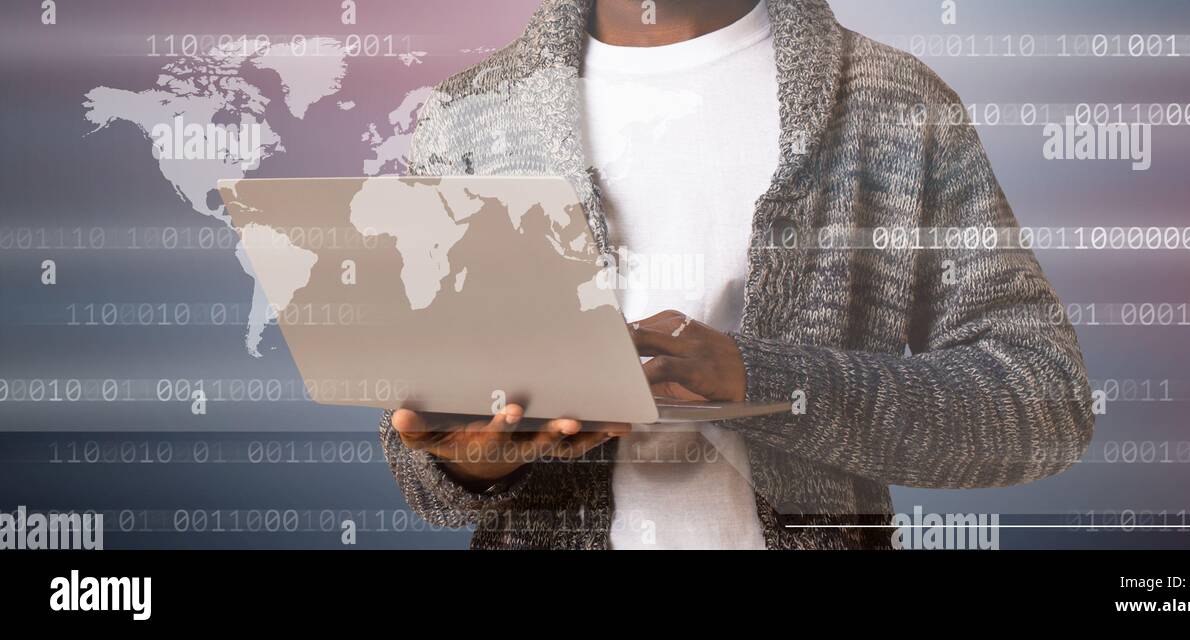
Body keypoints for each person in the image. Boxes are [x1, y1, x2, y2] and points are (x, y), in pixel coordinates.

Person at [380, 0, 1095, 550]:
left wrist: (764, 379)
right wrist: (473, 462)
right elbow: (426, 476)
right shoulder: (470, 117)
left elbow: (1045, 402)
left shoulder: (895, 104)